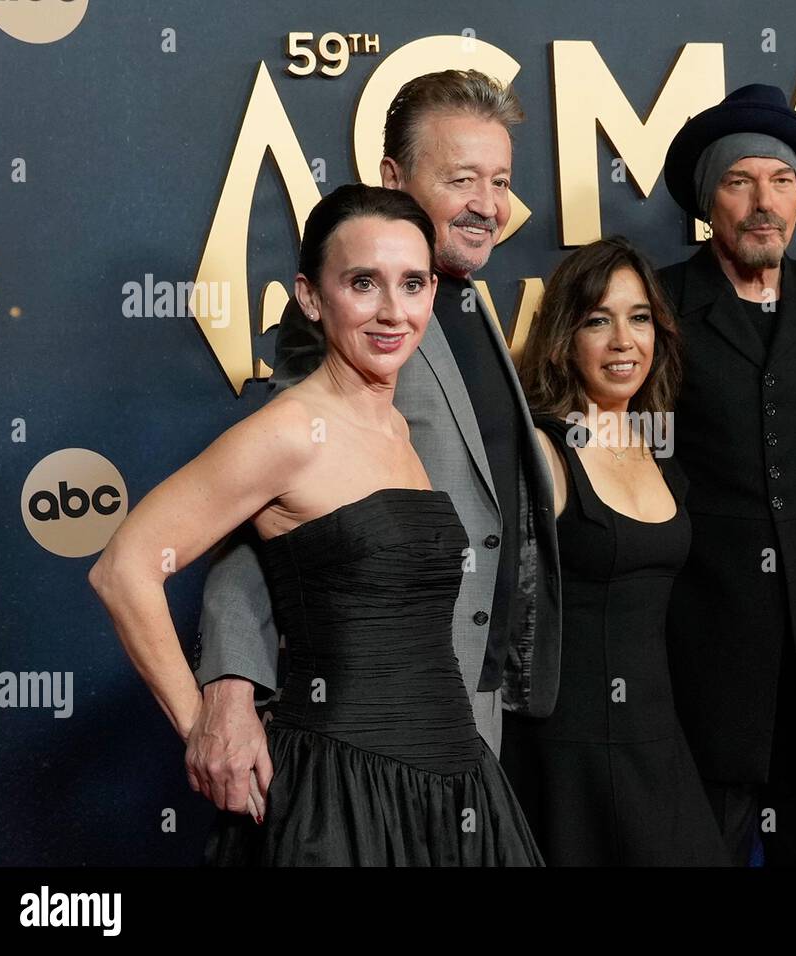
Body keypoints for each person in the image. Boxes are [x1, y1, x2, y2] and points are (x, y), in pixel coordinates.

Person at [90, 184, 542, 865]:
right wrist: (200, 726)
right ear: (309, 297)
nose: (394, 311)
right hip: (342, 799)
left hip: (455, 784)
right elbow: (124, 567)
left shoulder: (396, 428)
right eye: (363, 283)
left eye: (413, 283)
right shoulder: (290, 432)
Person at [187, 70, 561, 824]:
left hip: (476, 701)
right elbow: (261, 510)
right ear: (393, 178)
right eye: (462, 179)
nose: (488, 205)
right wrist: (229, 686)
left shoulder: (469, 302)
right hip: (380, 718)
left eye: (500, 181)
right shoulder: (350, 317)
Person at [656, 84, 796, 866]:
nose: (763, 202)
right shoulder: (658, 306)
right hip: (700, 648)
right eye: (740, 182)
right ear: (710, 200)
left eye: (780, 182)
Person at [500, 237, 729, 865]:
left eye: (639, 318)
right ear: (564, 338)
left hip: (657, 740)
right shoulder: (544, 452)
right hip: (566, 751)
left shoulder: (658, 448)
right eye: (598, 320)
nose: (623, 341)